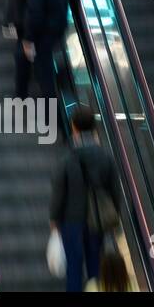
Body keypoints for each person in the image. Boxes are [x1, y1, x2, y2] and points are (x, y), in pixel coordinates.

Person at [51, 106, 121, 292]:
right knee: (95, 267)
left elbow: (59, 189)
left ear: (74, 127)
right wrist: (113, 216)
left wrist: (54, 218)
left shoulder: (67, 157)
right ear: (94, 127)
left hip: (70, 219)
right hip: (96, 219)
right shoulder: (105, 156)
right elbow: (114, 190)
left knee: (73, 267)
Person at [19, 0, 71, 103]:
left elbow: (35, 12)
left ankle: (51, 119)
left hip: (42, 35)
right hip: (59, 30)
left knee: (45, 77)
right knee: (55, 73)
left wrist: (28, 39)